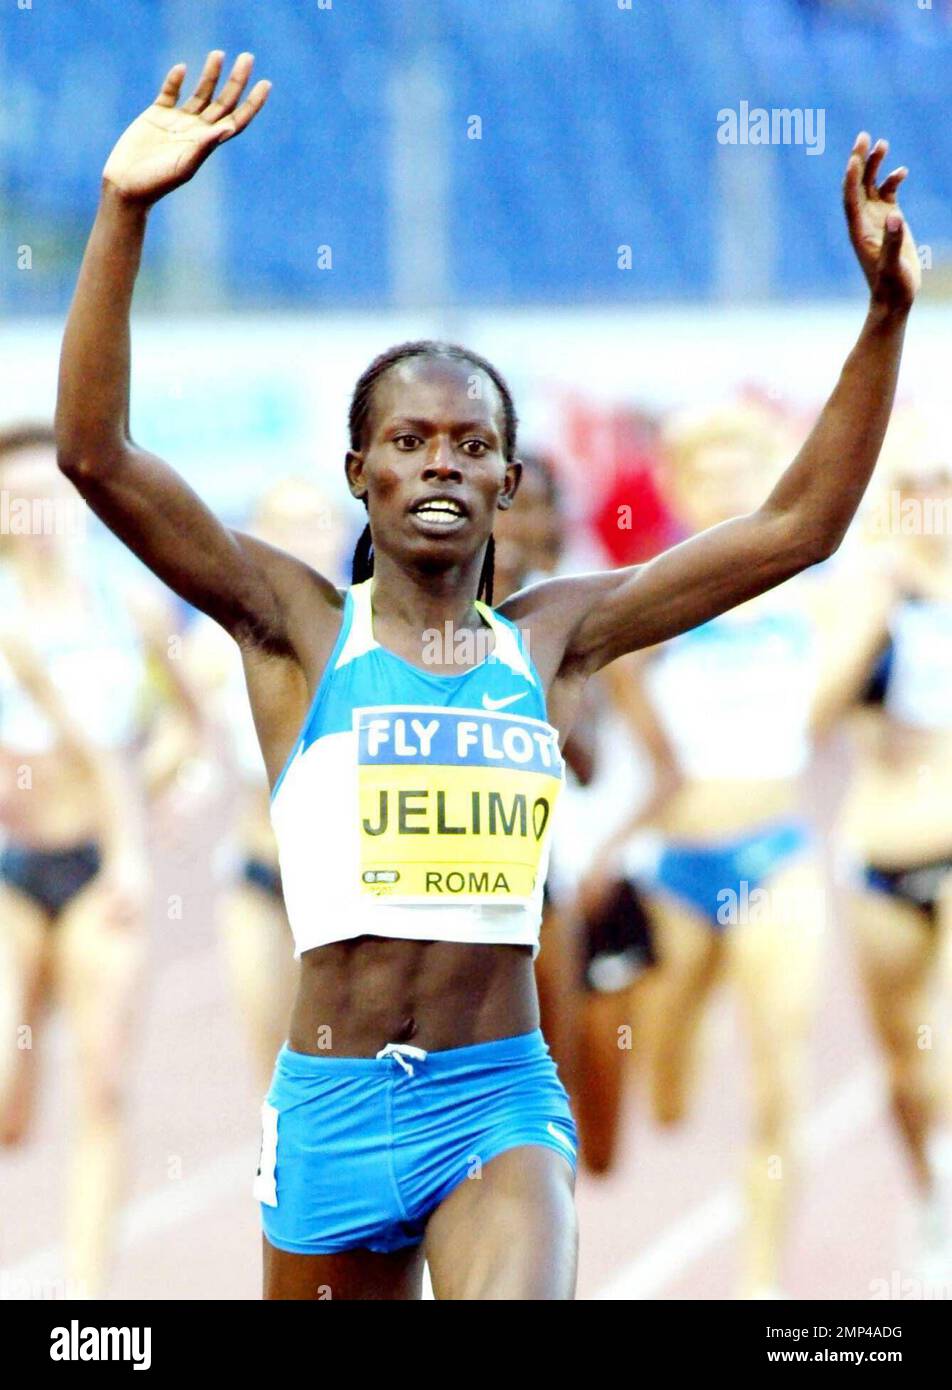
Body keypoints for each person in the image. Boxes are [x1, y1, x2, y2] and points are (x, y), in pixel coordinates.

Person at [56, 48, 917, 1299]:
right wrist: (123, 212)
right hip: (330, 1107)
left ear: (511, 483)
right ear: (363, 473)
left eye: (474, 444)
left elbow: (797, 528)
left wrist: (885, 319)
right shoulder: (291, 626)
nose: (442, 463)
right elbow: (96, 453)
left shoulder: (555, 636)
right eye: (408, 440)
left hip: (494, 1101)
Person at [0, 429, 153, 1297]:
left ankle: (85, 1296)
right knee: (6, 1106)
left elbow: (178, 729)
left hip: (103, 870)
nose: (38, 515)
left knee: (101, 1080)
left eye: (48, 494)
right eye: (16, 499)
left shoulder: (127, 609)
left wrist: (169, 777)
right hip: (13, 872)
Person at [184, 478, 347, 1094]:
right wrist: (174, 782)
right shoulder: (217, 639)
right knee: (276, 1079)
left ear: (340, 530)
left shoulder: (371, 628)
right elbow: (188, 736)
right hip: (259, 877)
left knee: (343, 1072)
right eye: (283, 523)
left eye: (315, 521)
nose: (301, 537)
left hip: (347, 889)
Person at [839, 420, 952, 1275]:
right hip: (879, 853)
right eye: (918, 486)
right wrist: (870, 621)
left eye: (945, 484)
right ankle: (934, 1207)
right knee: (904, 1067)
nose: (934, 503)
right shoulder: (866, 591)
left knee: (945, 1042)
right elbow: (801, 719)